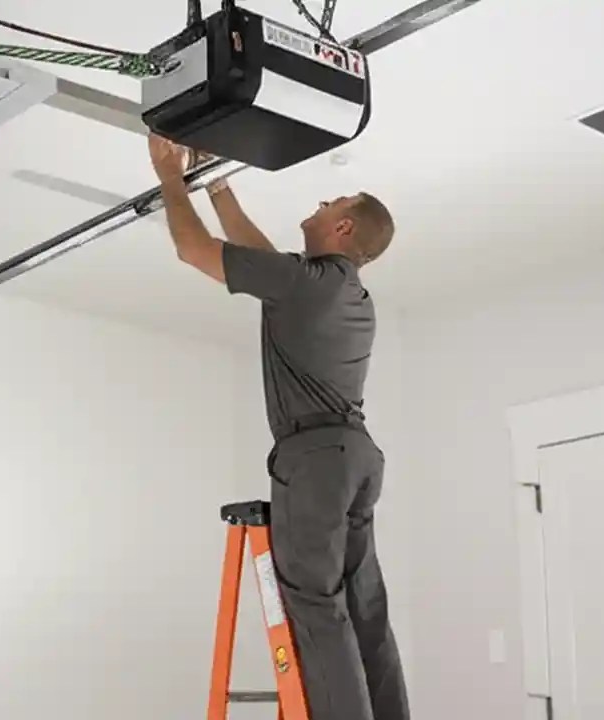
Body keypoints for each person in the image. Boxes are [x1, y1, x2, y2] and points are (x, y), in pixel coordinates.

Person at [148, 133, 409, 720]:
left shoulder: (307, 284)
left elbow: (195, 251)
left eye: (332, 203)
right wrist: (215, 184)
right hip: (356, 457)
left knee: (316, 605)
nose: (321, 204)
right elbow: (263, 266)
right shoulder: (340, 290)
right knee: (363, 607)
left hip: (316, 457)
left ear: (343, 229)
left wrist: (169, 175)